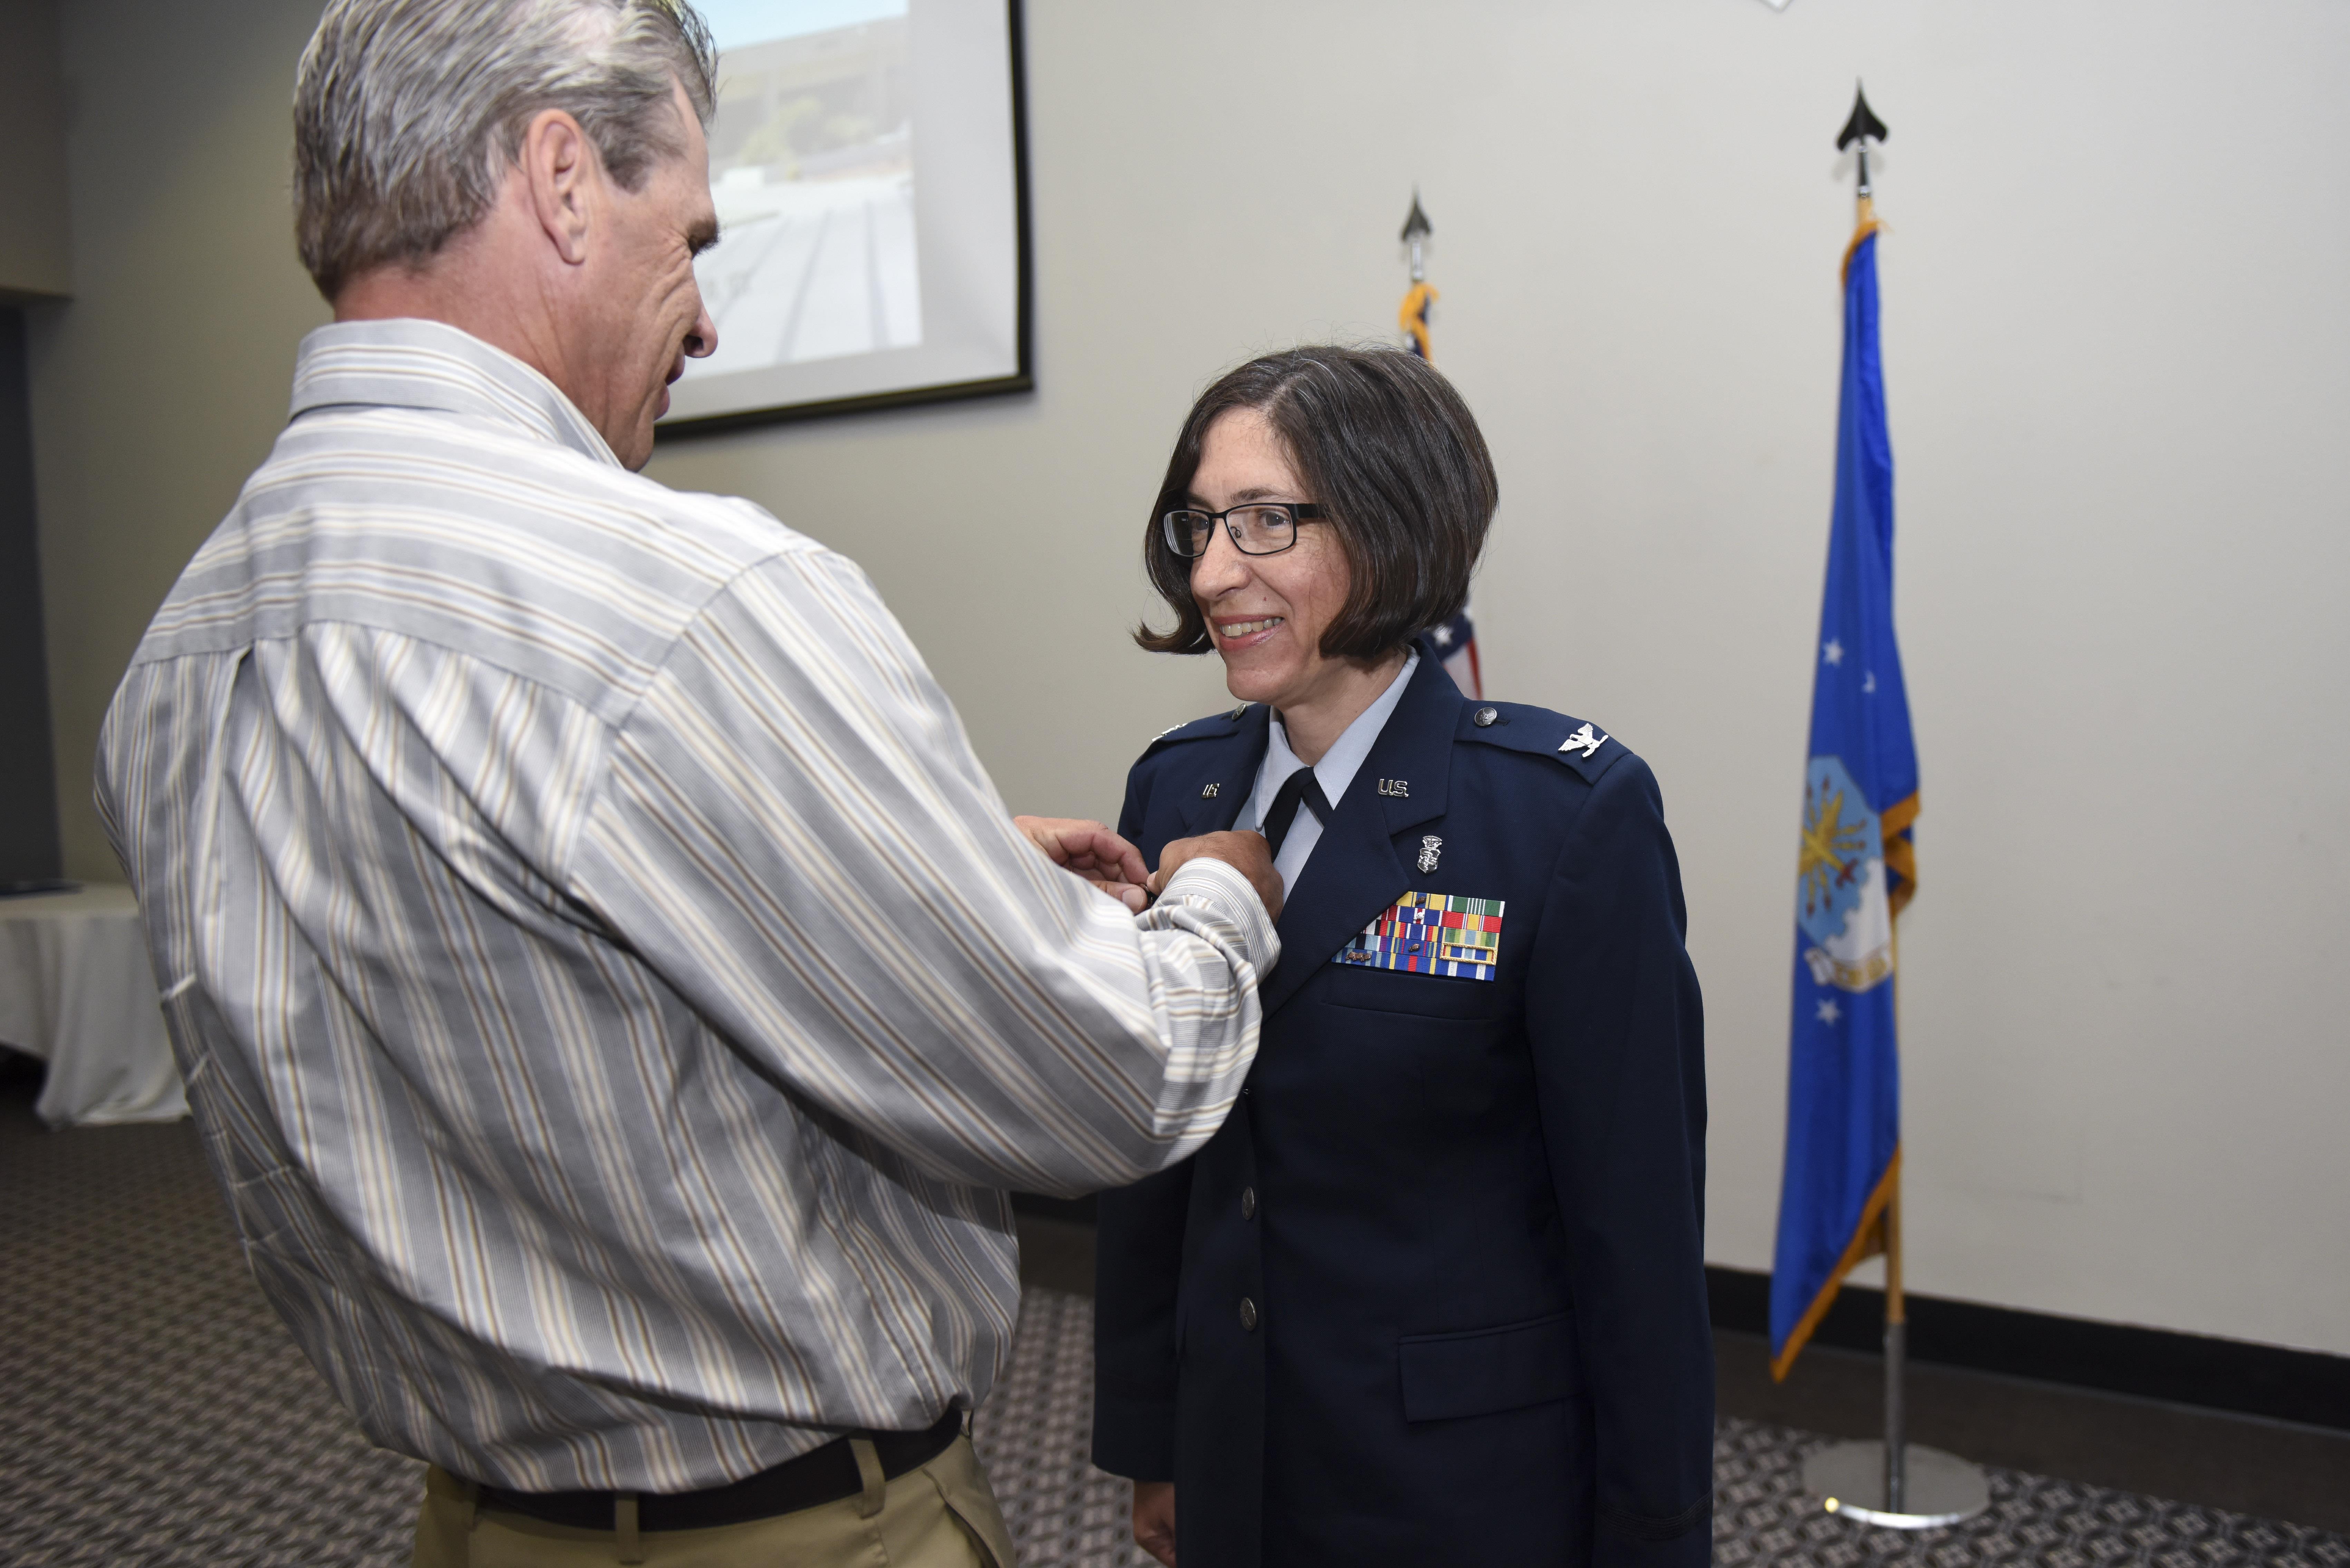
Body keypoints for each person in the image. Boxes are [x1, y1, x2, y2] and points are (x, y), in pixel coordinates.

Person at [93, 3, 1283, 1565]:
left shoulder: (179, 654)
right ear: (565, 180)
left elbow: (479, 963)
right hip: (797, 1526)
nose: (708, 320)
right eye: (694, 236)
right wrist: (1218, 905)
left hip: (477, 1520)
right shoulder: (681, 605)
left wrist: (933, 866)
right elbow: (1107, 1080)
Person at [1093, 346, 1713, 1568]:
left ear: (1391, 523)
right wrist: (1153, 1439)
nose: (1216, 573)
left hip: (1460, 1488)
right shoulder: (1177, 785)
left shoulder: (1562, 818)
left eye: (1267, 523)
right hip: (1235, 1455)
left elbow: (1635, 1239)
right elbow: (1152, 1159)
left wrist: (1655, 1536)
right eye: (1203, 525)